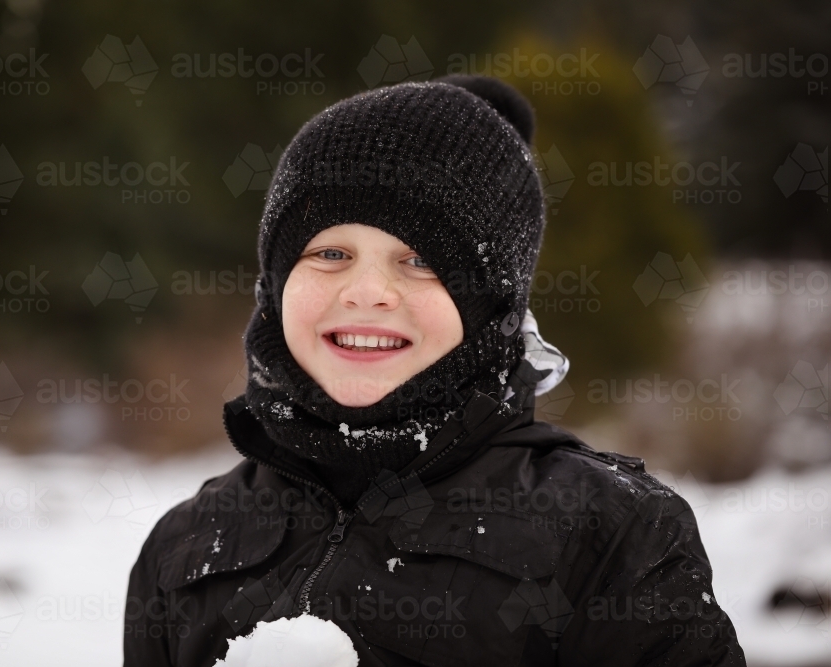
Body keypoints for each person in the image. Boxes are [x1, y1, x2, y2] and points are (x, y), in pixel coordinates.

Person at [124, 75, 746, 666]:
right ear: (277, 284)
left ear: (490, 303)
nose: (368, 292)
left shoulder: (611, 533)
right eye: (331, 253)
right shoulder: (186, 544)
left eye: (419, 259)